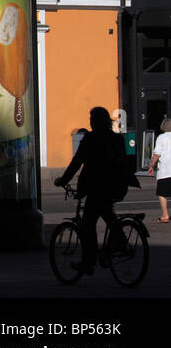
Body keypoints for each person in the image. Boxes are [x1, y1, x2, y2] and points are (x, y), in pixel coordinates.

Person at [55, 107, 131, 275]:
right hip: (117, 186)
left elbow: (77, 162)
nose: (90, 122)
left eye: (91, 119)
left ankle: (88, 262)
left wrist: (63, 180)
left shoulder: (91, 138)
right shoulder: (117, 138)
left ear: (95, 122)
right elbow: (125, 162)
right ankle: (118, 240)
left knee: (88, 225)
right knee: (107, 213)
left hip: (97, 187)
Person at [149, 117, 171, 224]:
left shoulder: (161, 137)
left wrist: (151, 166)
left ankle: (165, 215)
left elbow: (156, 153)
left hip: (165, 171)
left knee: (162, 193)